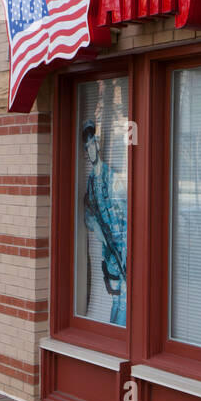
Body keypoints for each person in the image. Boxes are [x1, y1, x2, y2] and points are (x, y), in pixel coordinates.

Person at [82, 121, 127, 326]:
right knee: (116, 297)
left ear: (98, 146)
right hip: (108, 249)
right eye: (87, 147)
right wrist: (96, 228)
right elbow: (88, 213)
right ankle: (114, 336)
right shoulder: (91, 180)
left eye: (92, 145)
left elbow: (125, 212)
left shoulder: (112, 176)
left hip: (122, 246)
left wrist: (124, 249)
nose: (90, 150)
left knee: (124, 299)